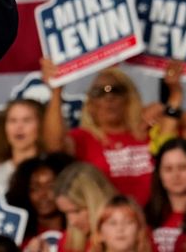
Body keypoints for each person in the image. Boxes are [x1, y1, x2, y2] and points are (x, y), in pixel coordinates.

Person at [44, 64, 178, 207]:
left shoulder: (150, 132)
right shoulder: (83, 138)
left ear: (129, 97)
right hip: (107, 223)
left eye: (116, 90)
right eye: (99, 92)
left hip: (156, 220)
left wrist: (174, 95)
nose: (109, 97)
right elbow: (54, 147)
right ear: (90, 104)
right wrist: (56, 92)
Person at [24, 162, 120, 252]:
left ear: (96, 202)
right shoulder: (68, 242)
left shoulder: (125, 234)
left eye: (77, 211)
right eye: (66, 213)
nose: (72, 221)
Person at [145, 139, 186, 252]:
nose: (176, 175)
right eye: (168, 169)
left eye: (183, 167)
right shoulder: (146, 215)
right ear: (159, 174)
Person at [7, 153, 75, 242]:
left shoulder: (80, 232)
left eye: (51, 186)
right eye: (34, 188)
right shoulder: (19, 239)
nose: (42, 194)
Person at [0, 99, 45, 190]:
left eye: (26, 120)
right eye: (12, 120)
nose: (19, 127)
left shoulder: (53, 172)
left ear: (42, 125)